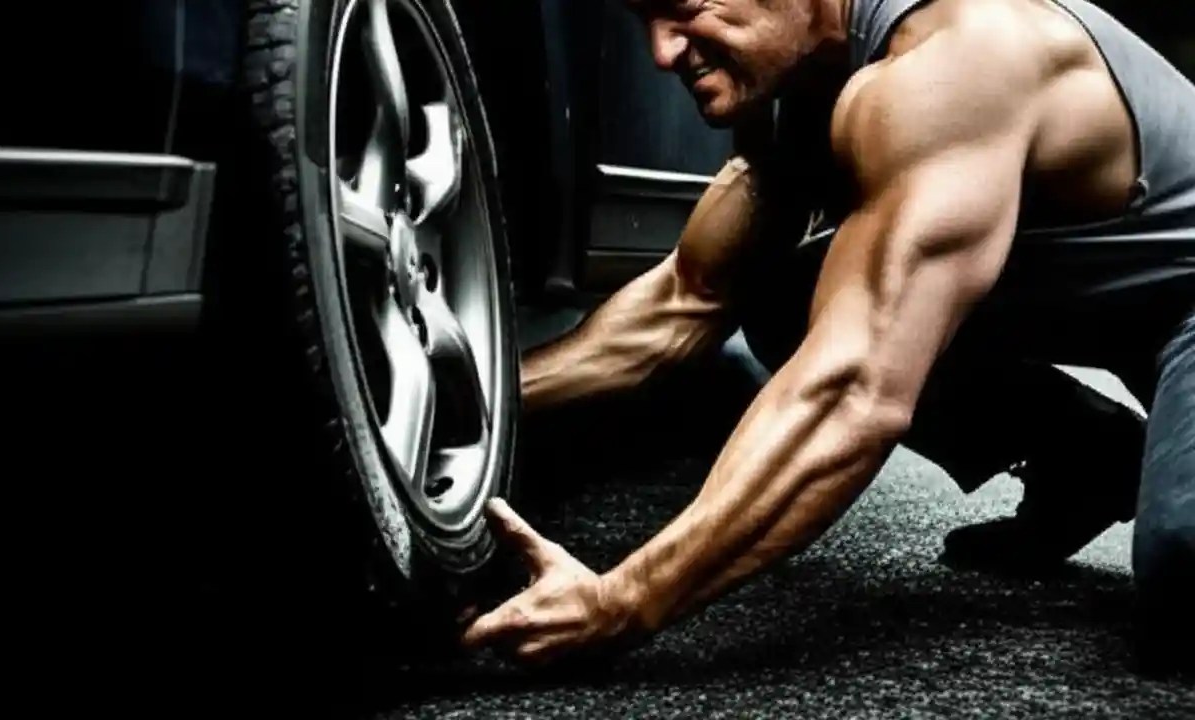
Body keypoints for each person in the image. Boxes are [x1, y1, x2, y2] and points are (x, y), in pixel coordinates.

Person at [461, 0, 1195, 675]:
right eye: (644, 18)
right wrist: (464, 404)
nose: (661, 51)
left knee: (1182, 573)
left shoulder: (953, 67)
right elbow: (682, 304)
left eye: (684, 8)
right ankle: (1087, 463)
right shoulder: (797, 102)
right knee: (792, 292)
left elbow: (856, 390)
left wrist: (623, 601)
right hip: (1125, 311)